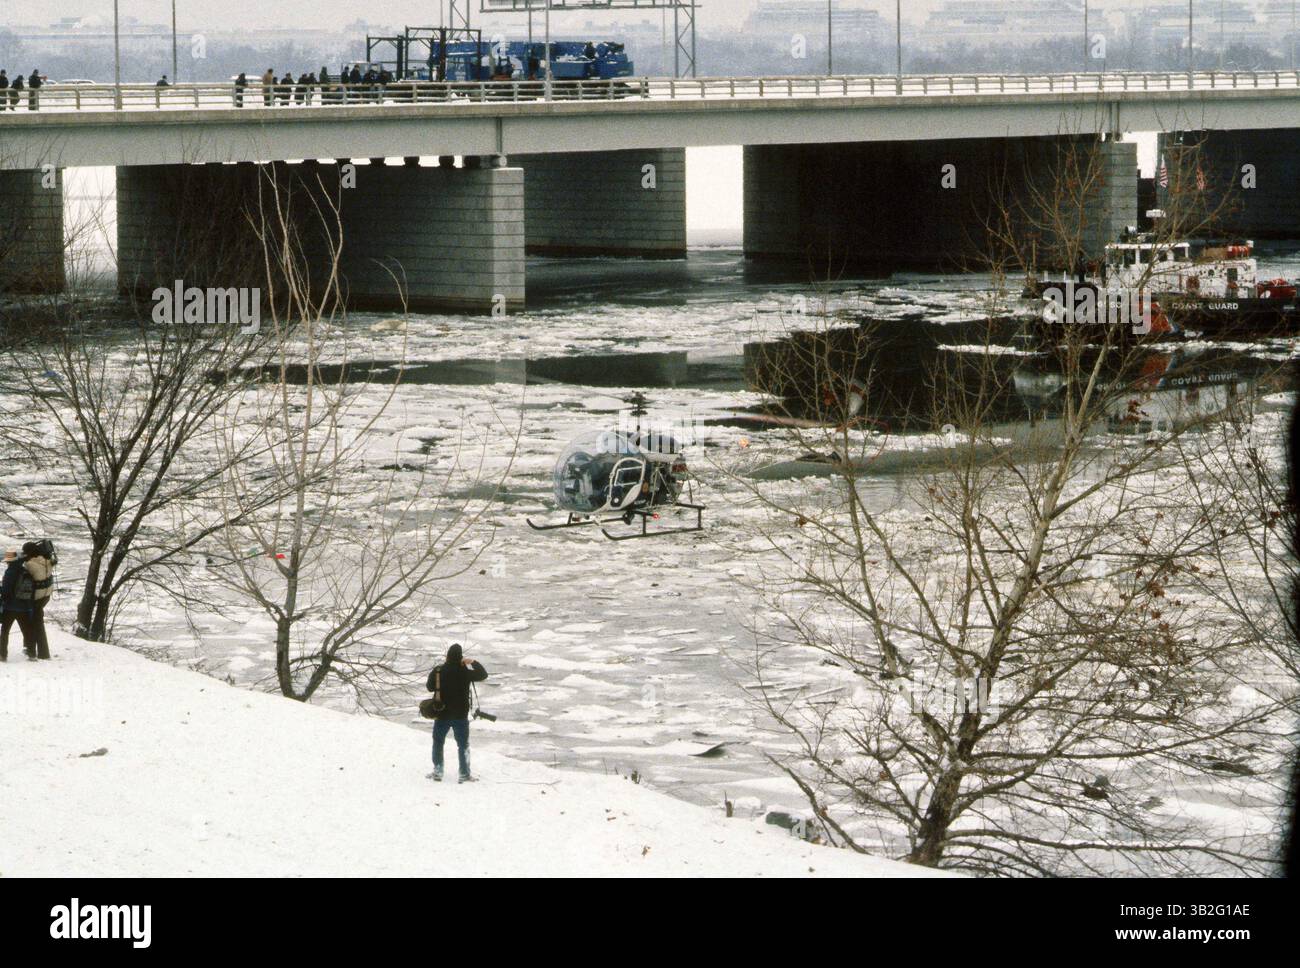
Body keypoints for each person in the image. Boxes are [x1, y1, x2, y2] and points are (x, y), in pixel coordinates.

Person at [425, 643, 487, 783]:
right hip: (460, 715)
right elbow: (483, 674)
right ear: (460, 657)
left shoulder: (439, 670)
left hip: (442, 714)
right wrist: (472, 662)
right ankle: (464, 774)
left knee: (438, 742)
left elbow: (429, 687)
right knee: (463, 745)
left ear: (447, 655)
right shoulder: (464, 672)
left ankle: (438, 771)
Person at [0, 550, 36, 662]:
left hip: (10, 607)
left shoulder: (10, 572)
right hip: (25, 606)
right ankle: (32, 654)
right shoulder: (25, 570)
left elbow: (6, 591)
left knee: (5, 631)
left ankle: (2, 655)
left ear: (8, 562)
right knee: (27, 630)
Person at [22, 541, 53, 661]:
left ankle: (38, 652)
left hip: (36, 599)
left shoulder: (30, 564)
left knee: (35, 624)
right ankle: (38, 651)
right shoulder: (48, 561)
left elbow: (22, 569)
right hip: (46, 596)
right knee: (37, 622)